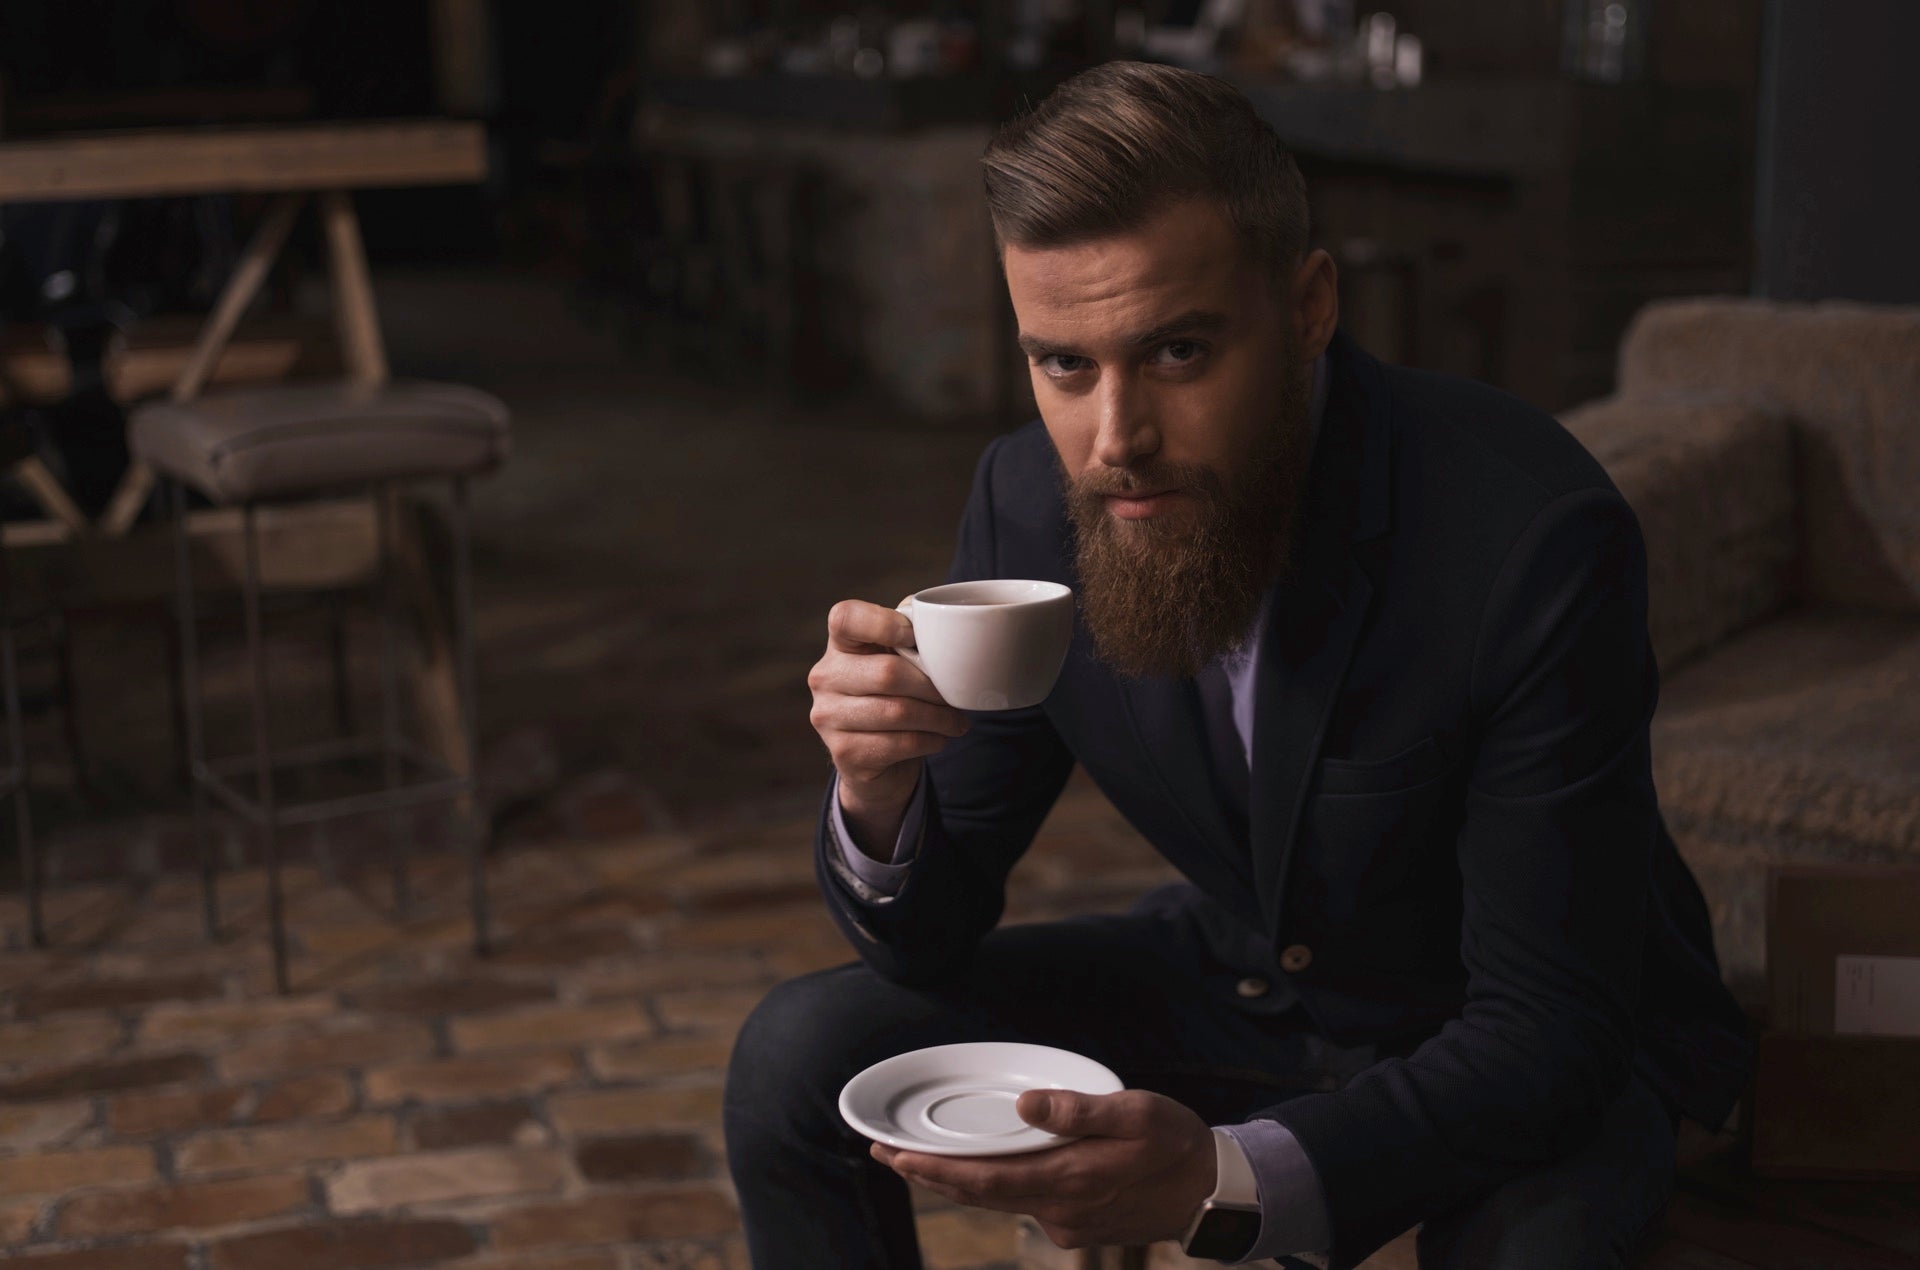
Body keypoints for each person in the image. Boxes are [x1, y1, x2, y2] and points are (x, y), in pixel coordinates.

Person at [724, 61, 1753, 1270]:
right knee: (797, 1054)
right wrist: (879, 797)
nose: (1115, 443)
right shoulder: (1026, 499)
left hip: (1523, 1031)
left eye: (1177, 351)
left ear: (1310, 306)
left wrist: (1218, 1174)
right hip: (1252, 980)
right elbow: (926, 938)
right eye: (1063, 364)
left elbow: (1548, 1030)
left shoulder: (1531, 532)